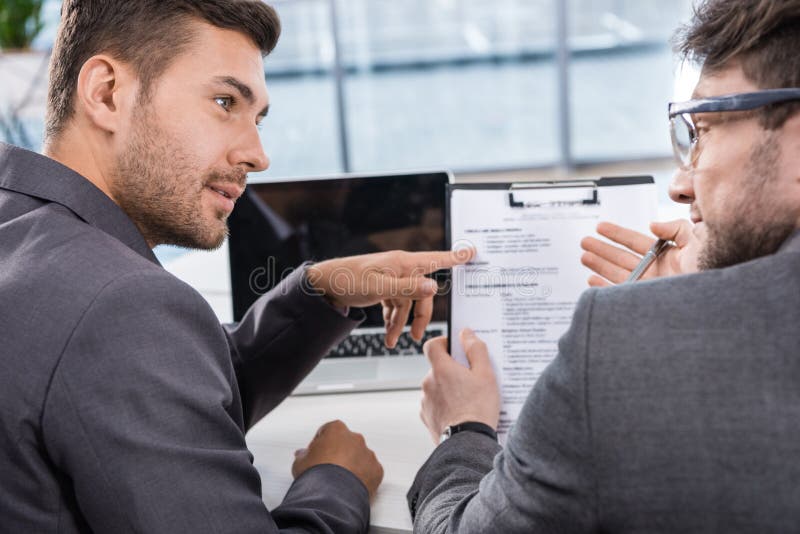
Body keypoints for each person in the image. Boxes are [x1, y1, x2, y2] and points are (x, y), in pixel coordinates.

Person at [0, 1, 471, 532]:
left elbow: (165, 403)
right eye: (225, 102)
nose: (257, 154)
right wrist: (335, 478)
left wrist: (320, 290)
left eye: (258, 117)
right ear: (107, 93)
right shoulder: (118, 305)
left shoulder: (19, 223)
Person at [409, 0, 800, 531]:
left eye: (704, 130)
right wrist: (720, 287)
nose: (680, 185)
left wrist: (465, 431)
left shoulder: (616, 340)